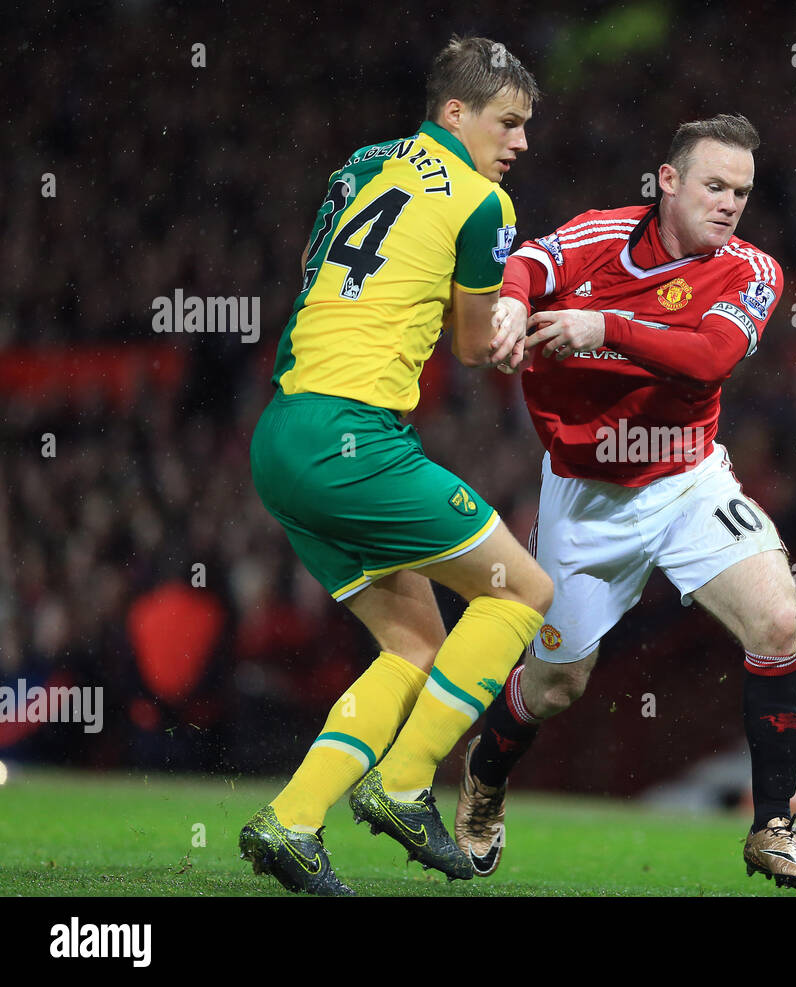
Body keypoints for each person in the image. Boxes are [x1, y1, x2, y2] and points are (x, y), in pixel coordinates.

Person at [457, 113, 796, 892]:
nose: (729, 205)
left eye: (742, 192)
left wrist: (604, 326)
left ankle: (773, 824)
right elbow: (524, 261)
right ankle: (485, 777)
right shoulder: (600, 238)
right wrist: (517, 304)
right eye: (714, 186)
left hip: (689, 481)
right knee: (557, 684)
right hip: (586, 500)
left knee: (778, 616)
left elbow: (711, 357)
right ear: (667, 181)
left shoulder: (752, 271)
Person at [238, 37, 552, 896]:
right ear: (456, 113)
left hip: (282, 433)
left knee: (414, 644)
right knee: (523, 591)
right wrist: (532, 327)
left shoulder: (364, 162)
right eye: (509, 122)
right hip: (356, 438)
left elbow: (319, 268)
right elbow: (475, 343)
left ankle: (291, 822)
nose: (520, 143)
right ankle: (407, 784)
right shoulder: (485, 203)